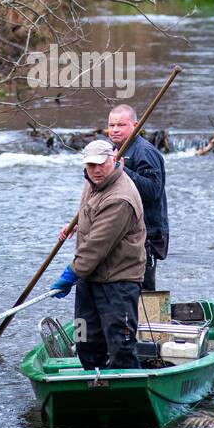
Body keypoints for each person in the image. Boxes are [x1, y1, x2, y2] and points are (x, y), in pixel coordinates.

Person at [51, 138, 146, 370]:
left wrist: (70, 274)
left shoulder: (120, 199)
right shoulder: (92, 181)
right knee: (84, 340)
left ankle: (127, 396)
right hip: (90, 277)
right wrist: (76, 224)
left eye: (100, 164)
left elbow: (97, 245)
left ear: (113, 160)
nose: (95, 170)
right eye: (90, 165)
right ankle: (91, 385)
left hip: (118, 282)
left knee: (120, 344)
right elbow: (91, 210)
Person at [107, 104, 168, 291]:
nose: (115, 129)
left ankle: (143, 321)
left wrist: (121, 170)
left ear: (135, 125)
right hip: (124, 232)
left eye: (121, 125)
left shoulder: (145, 152)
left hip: (147, 235)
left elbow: (152, 191)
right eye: (112, 125)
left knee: (143, 291)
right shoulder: (114, 151)